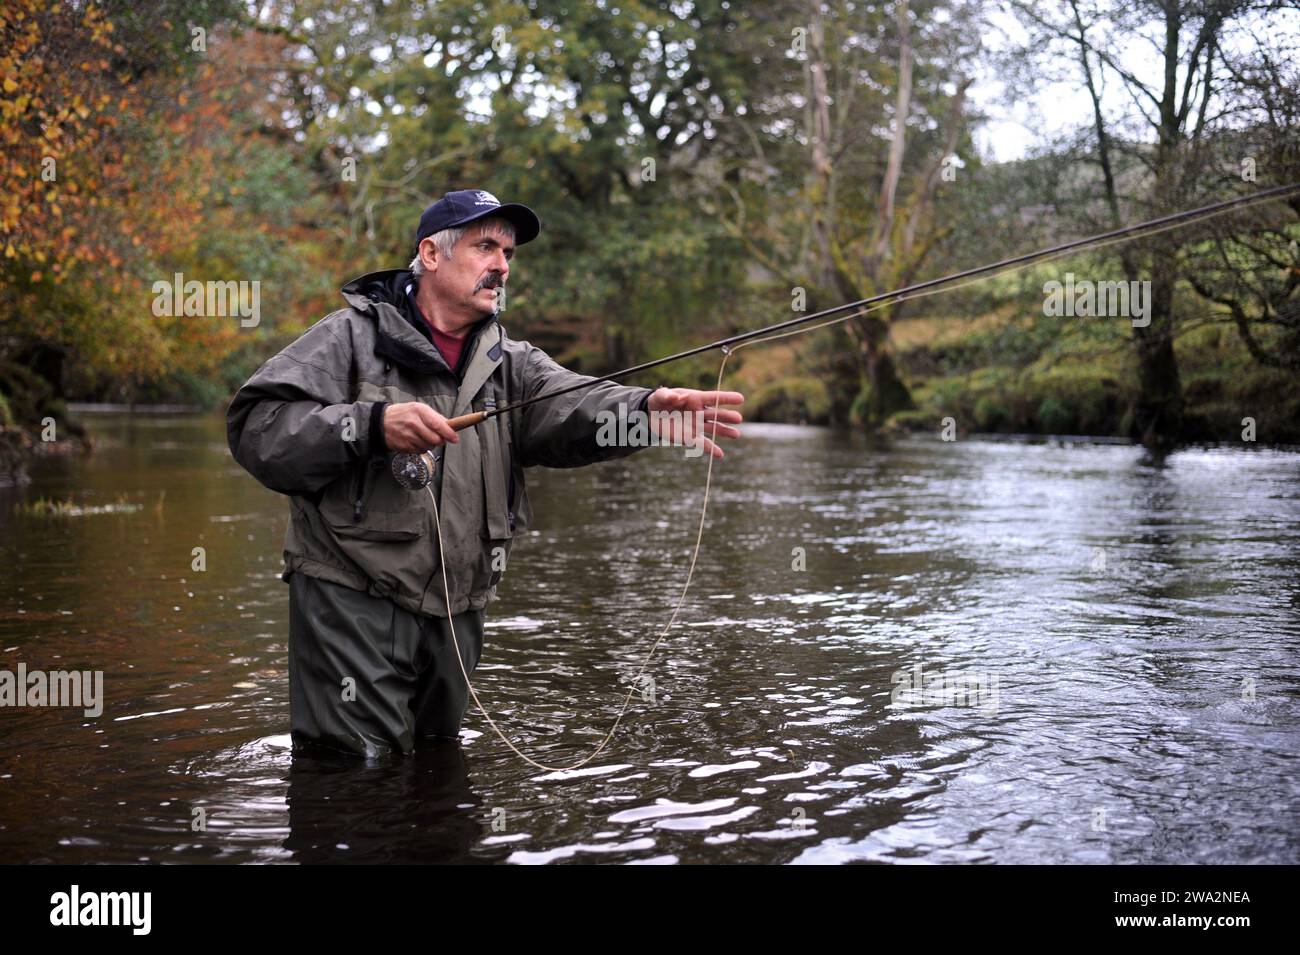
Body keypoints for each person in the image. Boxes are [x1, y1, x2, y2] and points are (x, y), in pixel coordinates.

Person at [227, 188, 744, 757]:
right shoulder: (348, 338)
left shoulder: (512, 362)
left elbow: (574, 405)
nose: (501, 265)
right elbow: (260, 426)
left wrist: (644, 412)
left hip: (458, 610)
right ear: (430, 253)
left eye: (509, 254)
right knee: (356, 780)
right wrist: (370, 425)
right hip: (351, 599)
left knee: (437, 768)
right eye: (485, 246)